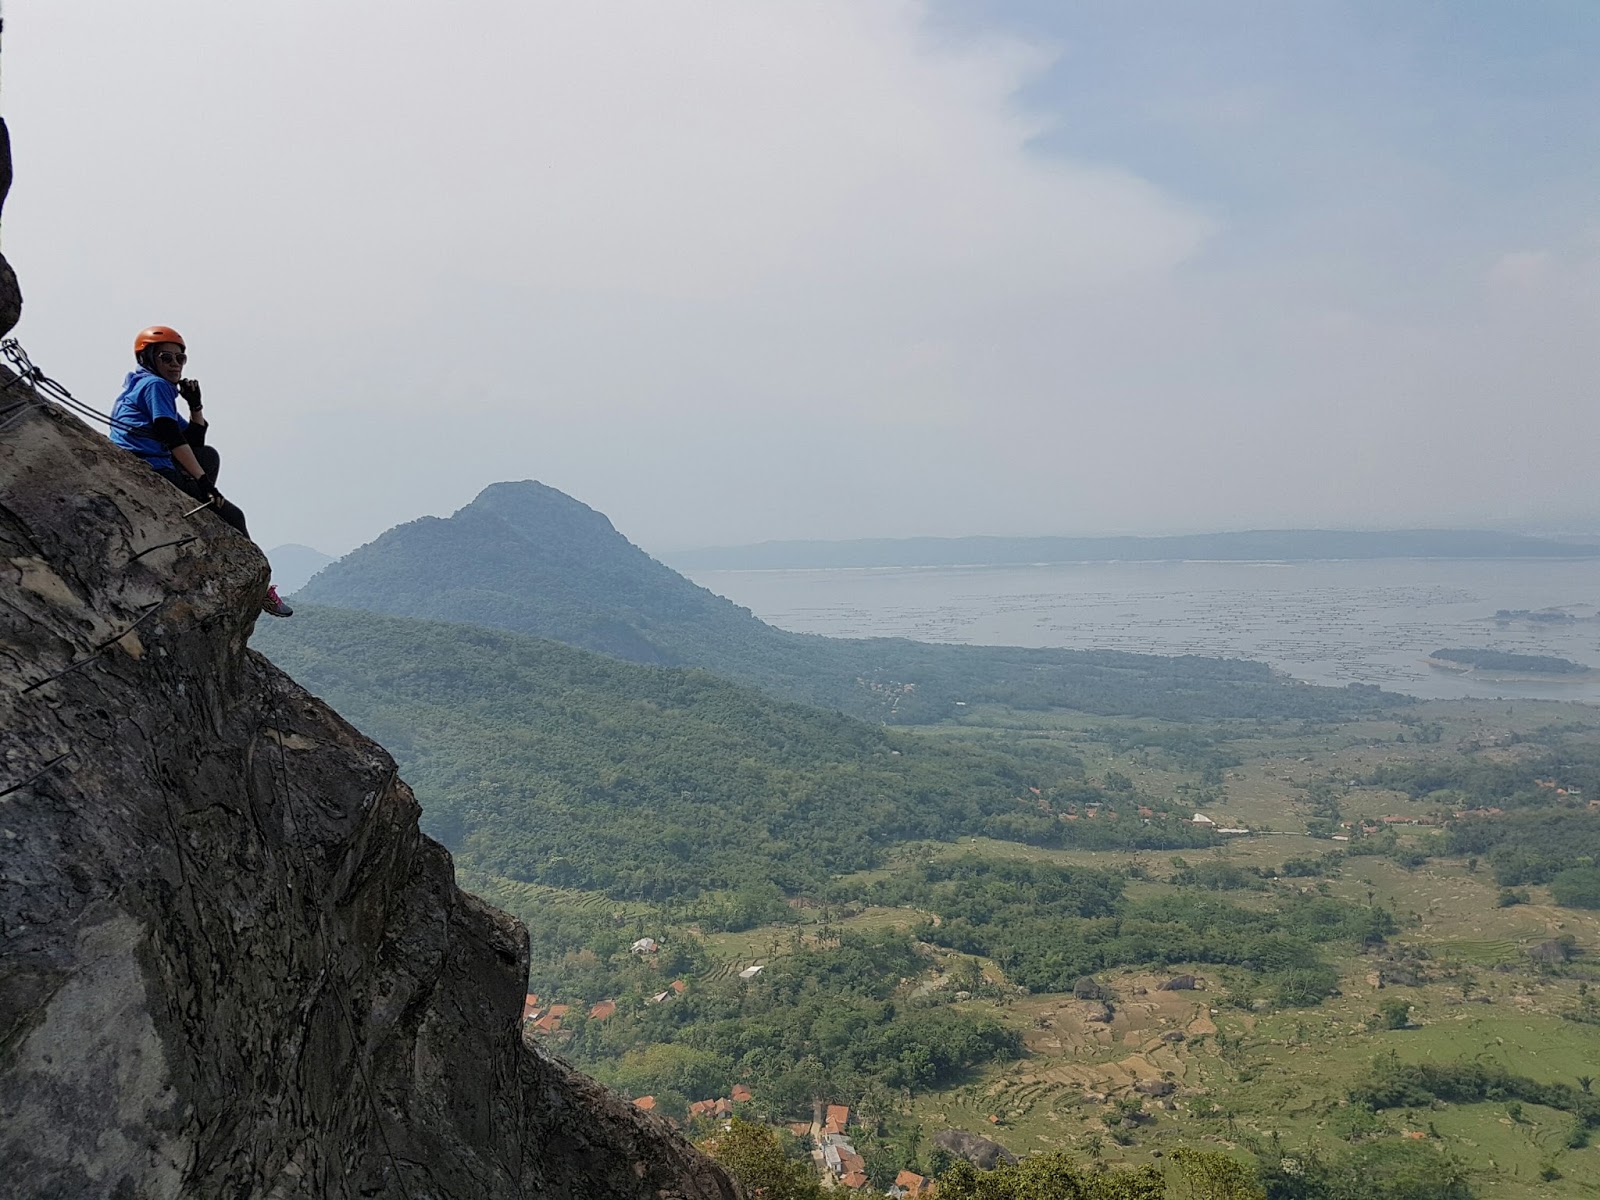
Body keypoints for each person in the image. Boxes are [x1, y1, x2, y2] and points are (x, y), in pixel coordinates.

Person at [110, 325, 293, 617]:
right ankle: (262, 591)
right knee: (234, 517)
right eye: (166, 358)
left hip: (142, 462)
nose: (175, 365)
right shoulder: (156, 386)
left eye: (180, 358)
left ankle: (197, 504)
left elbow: (194, 442)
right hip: (152, 467)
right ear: (148, 358)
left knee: (208, 456)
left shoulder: (142, 384)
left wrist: (195, 406)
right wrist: (205, 483)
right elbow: (172, 437)